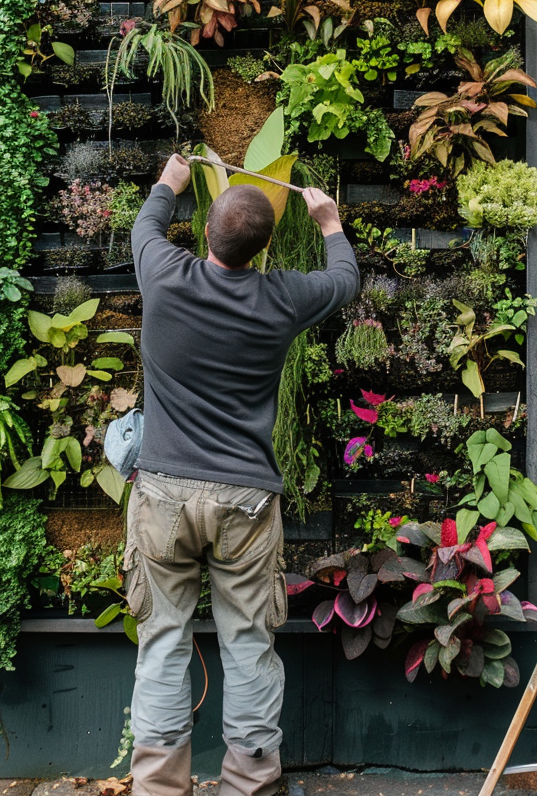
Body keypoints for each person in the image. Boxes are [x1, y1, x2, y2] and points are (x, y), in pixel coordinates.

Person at [125, 154, 359, 796]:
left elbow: (146, 225)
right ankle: (251, 784)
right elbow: (344, 280)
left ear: (204, 235)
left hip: (164, 495)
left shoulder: (162, 274)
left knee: (163, 641)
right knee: (250, 646)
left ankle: (157, 786)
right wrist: (330, 219)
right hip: (247, 502)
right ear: (264, 249)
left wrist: (170, 181)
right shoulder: (283, 296)